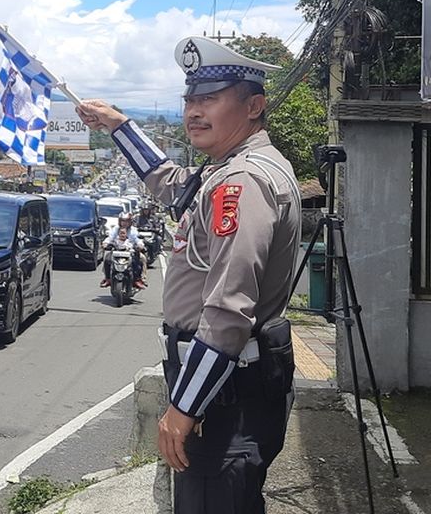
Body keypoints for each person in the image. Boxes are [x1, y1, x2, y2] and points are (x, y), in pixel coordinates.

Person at [78, 35, 300, 514]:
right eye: (190, 100)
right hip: (228, 388)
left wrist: (184, 408)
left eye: (210, 99)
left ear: (254, 106)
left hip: (224, 396)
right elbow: (172, 184)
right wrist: (118, 126)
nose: (194, 112)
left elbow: (227, 311)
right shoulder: (229, 167)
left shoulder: (241, 182)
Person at [100, 212, 146, 290]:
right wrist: (105, 243)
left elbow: (137, 239)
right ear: (119, 221)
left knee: (141, 259)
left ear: (130, 222)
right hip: (116, 251)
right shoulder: (116, 229)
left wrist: (140, 245)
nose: (125, 223)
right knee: (107, 258)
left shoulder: (133, 230)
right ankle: (108, 278)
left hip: (131, 252)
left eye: (127, 221)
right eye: (123, 221)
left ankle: (138, 279)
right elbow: (110, 238)